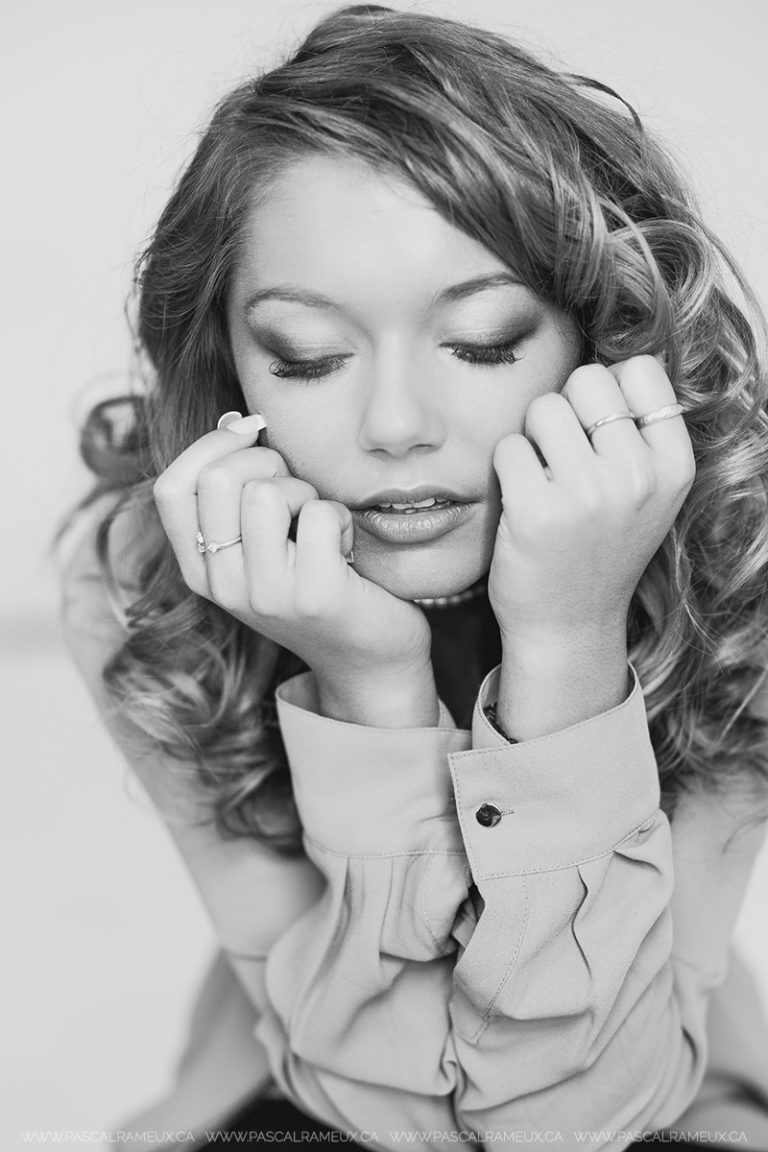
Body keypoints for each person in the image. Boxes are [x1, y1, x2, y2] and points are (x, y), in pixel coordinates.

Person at [59, 6, 768, 1150]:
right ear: (227, 361)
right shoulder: (142, 580)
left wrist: (570, 646)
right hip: (296, 1071)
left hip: (659, 1077)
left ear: (603, 335)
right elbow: (379, 1113)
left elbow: (576, 1121)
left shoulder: (742, 560)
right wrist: (371, 688)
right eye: (308, 357)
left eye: (483, 342)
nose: (394, 427)